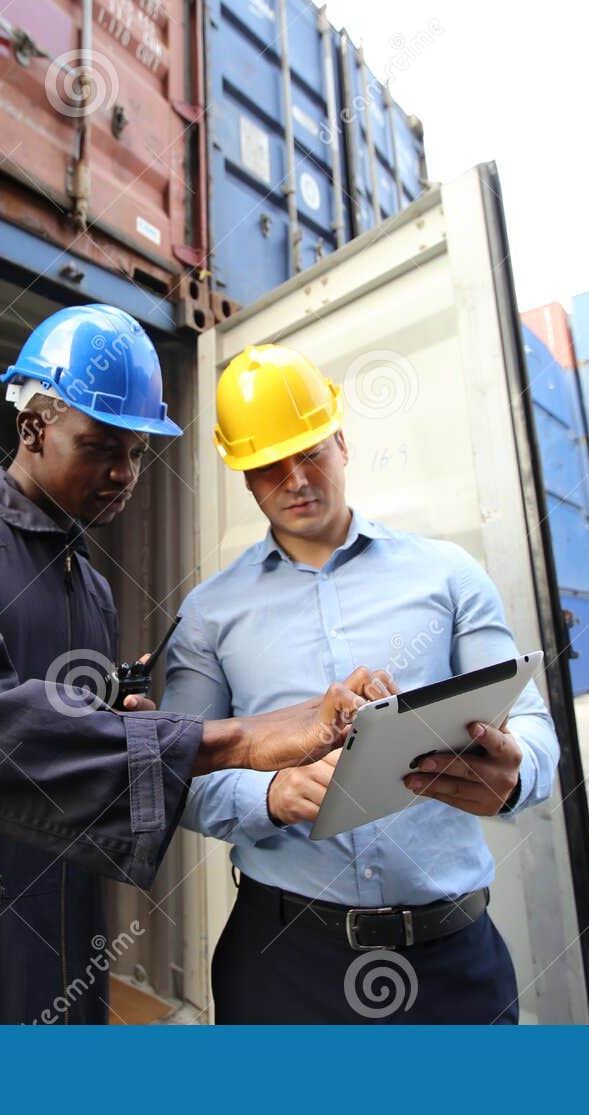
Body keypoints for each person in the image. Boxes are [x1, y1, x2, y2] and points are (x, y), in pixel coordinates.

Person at [0, 308, 390, 1024]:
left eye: (137, 451)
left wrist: (118, 725)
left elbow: (59, 753)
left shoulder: (87, 583)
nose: (123, 473)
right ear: (34, 428)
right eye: (99, 447)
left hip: (65, 927)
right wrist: (232, 740)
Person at [161, 344, 561, 1025]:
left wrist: (517, 772)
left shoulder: (447, 574)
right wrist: (271, 793)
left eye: (311, 451)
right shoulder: (208, 614)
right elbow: (177, 769)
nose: (295, 478)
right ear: (244, 476)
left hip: (453, 965)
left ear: (342, 440)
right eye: (268, 465)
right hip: (284, 968)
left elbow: (528, 719)